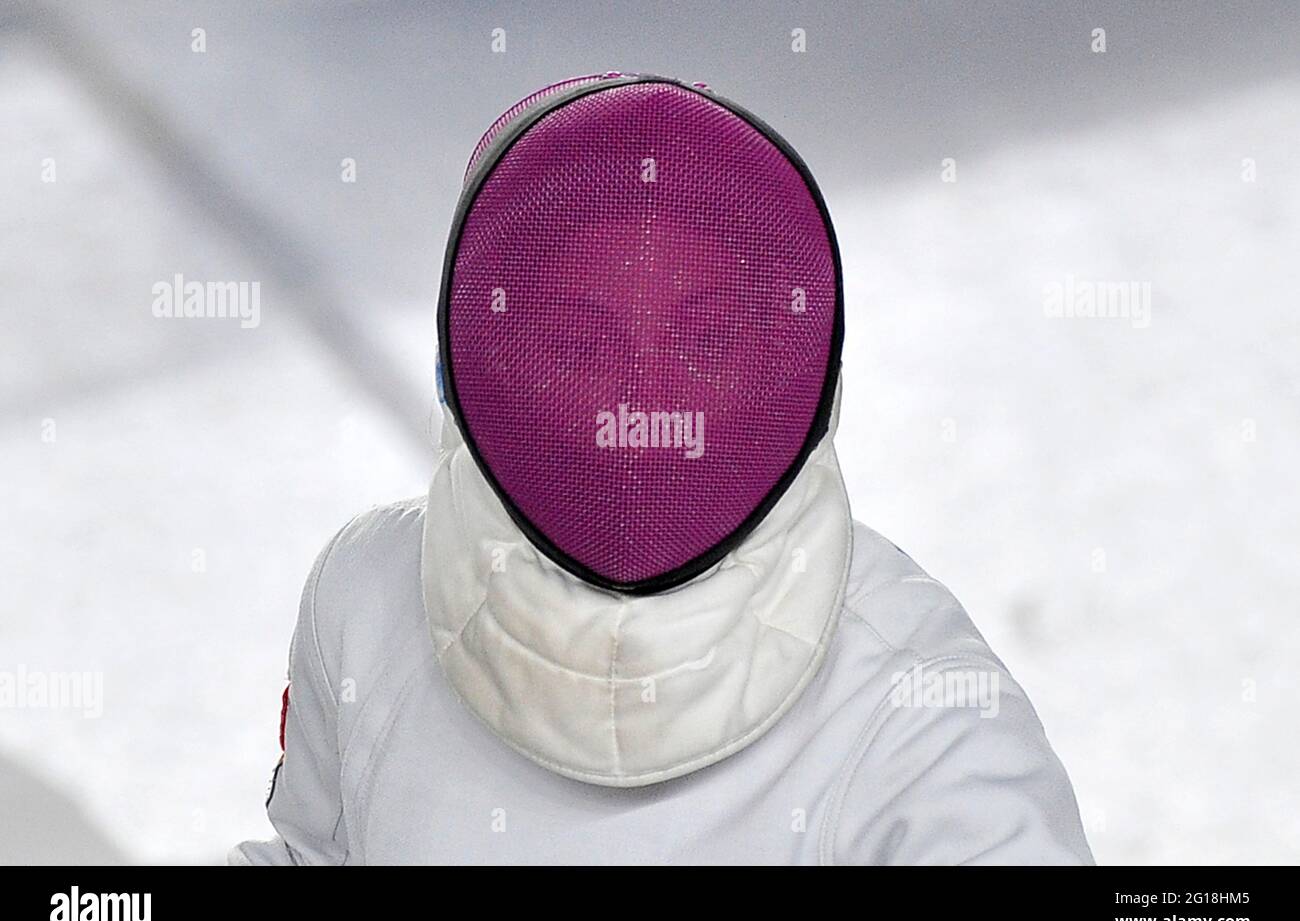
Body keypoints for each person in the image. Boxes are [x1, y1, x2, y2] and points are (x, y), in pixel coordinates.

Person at [232, 74, 1092, 865]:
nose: (645, 396)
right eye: (580, 343)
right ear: (479, 366)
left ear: (791, 368)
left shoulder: (921, 715)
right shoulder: (369, 597)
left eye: (706, 339)